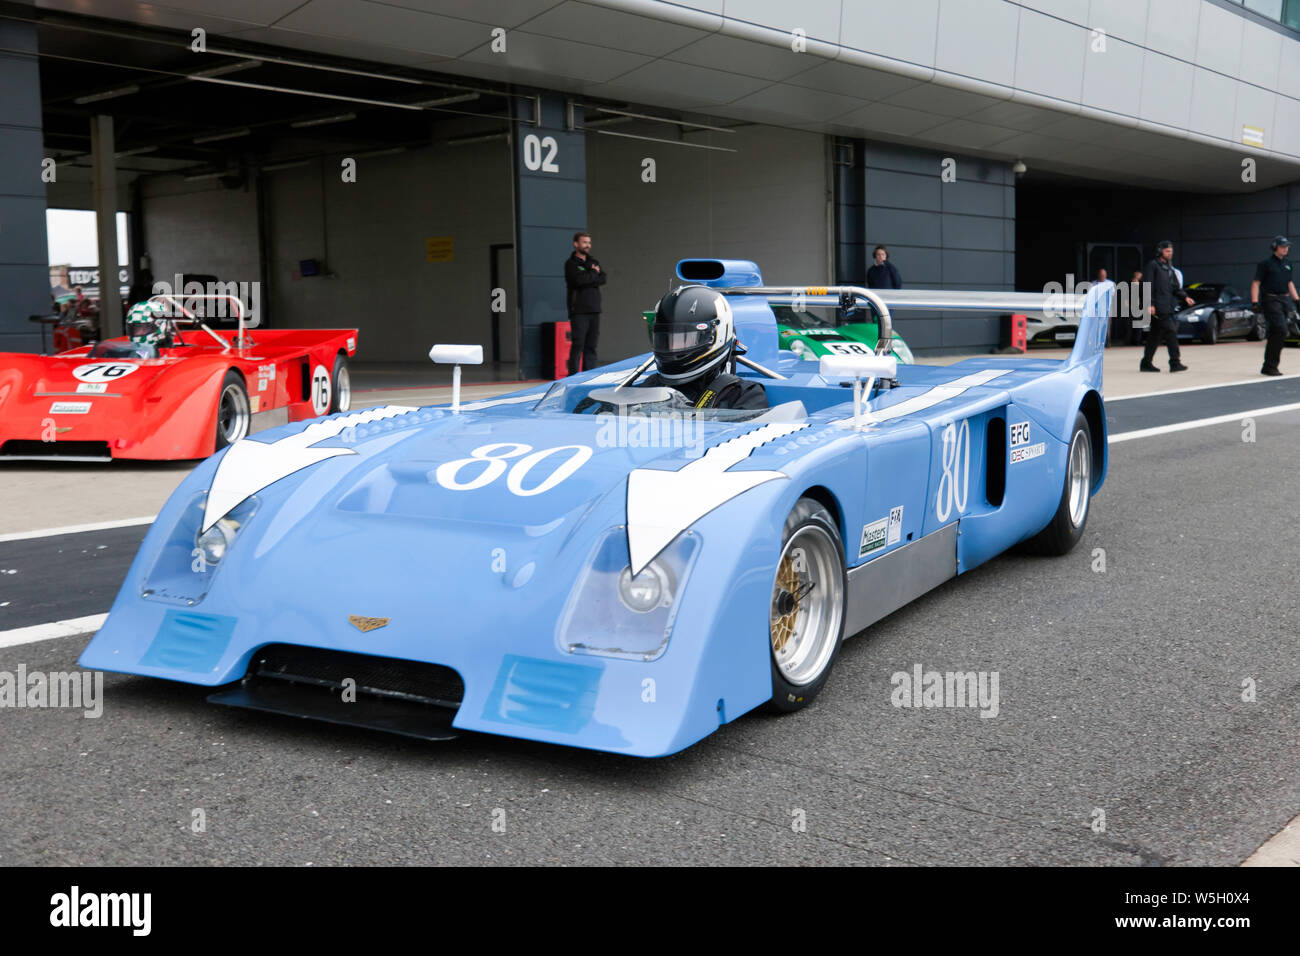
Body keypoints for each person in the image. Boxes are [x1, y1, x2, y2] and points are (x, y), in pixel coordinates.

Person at [641, 284, 767, 410]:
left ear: (718, 335)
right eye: (666, 340)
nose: (673, 347)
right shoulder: (651, 386)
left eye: (684, 339)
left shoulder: (743, 395)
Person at [1139, 241, 1194, 372]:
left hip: (1166, 306)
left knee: (1155, 336)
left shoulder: (1169, 269)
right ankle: (1175, 362)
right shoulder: (1153, 266)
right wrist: (1150, 304)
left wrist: (1185, 297)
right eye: (1167, 251)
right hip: (1157, 307)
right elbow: (1148, 285)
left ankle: (1146, 363)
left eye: (1171, 251)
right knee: (1171, 332)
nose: (1170, 254)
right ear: (1160, 252)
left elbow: (1175, 287)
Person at [1250, 235, 1299, 376]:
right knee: (1281, 330)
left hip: (1284, 300)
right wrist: (1254, 302)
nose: (1285, 249)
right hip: (1270, 300)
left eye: (1287, 246)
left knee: (1275, 334)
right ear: (1275, 247)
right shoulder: (1265, 264)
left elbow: (1290, 283)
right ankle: (1271, 365)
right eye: (1282, 246)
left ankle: (1269, 366)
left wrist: (1297, 300)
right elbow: (1256, 283)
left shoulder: (1288, 263)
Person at [564, 232, 606, 376]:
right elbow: (578, 281)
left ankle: (589, 376)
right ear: (576, 244)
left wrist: (591, 275)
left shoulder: (593, 262)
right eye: (584, 242)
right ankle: (573, 376)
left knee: (591, 347)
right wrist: (594, 274)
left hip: (594, 310)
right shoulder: (571, 264)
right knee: (578, 346)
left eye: (589, 242)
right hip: (579, 311)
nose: (588, 245)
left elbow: (603, 278)